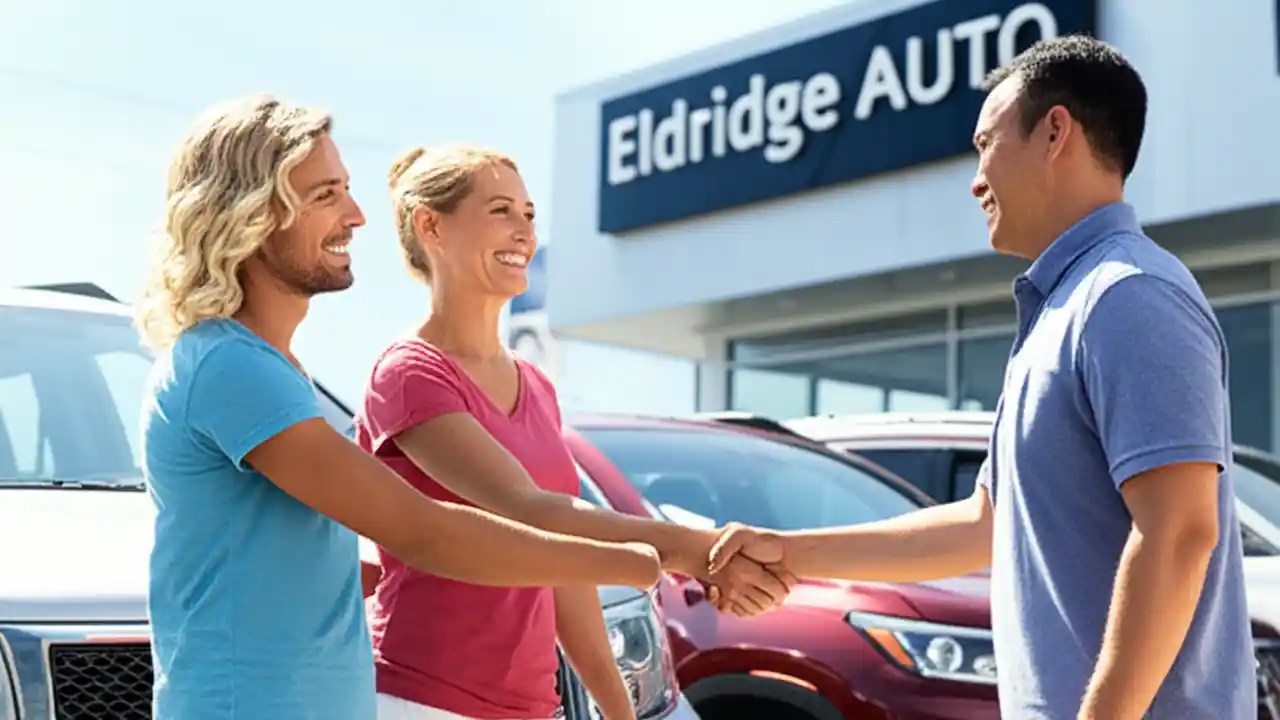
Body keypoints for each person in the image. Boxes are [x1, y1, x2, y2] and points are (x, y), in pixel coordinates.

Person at [708, 35, 1255, 720]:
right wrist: (789, 552)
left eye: (985, 144)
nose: (975, 180)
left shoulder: (1128, 295)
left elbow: (1178, 533)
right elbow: (980, 527)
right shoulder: (1063, 310)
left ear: (1055, 132)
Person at [136, 94, 666, 720]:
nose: (356, 216)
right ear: (251, 212)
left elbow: (284, 553)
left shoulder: (270, 370)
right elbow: (424, 531)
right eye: (326, 195)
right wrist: (648, 559)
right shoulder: (230, 366)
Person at [354, 144, 796, 720]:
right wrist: (698, 551)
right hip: (421, 697)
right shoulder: (408, 374)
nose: (524, 232)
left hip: (532, 704)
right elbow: (528, 510)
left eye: (529, 214)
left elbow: (566, 563)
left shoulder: (536, 385)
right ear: (431, 226)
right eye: (500, 211)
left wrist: (619, 712)